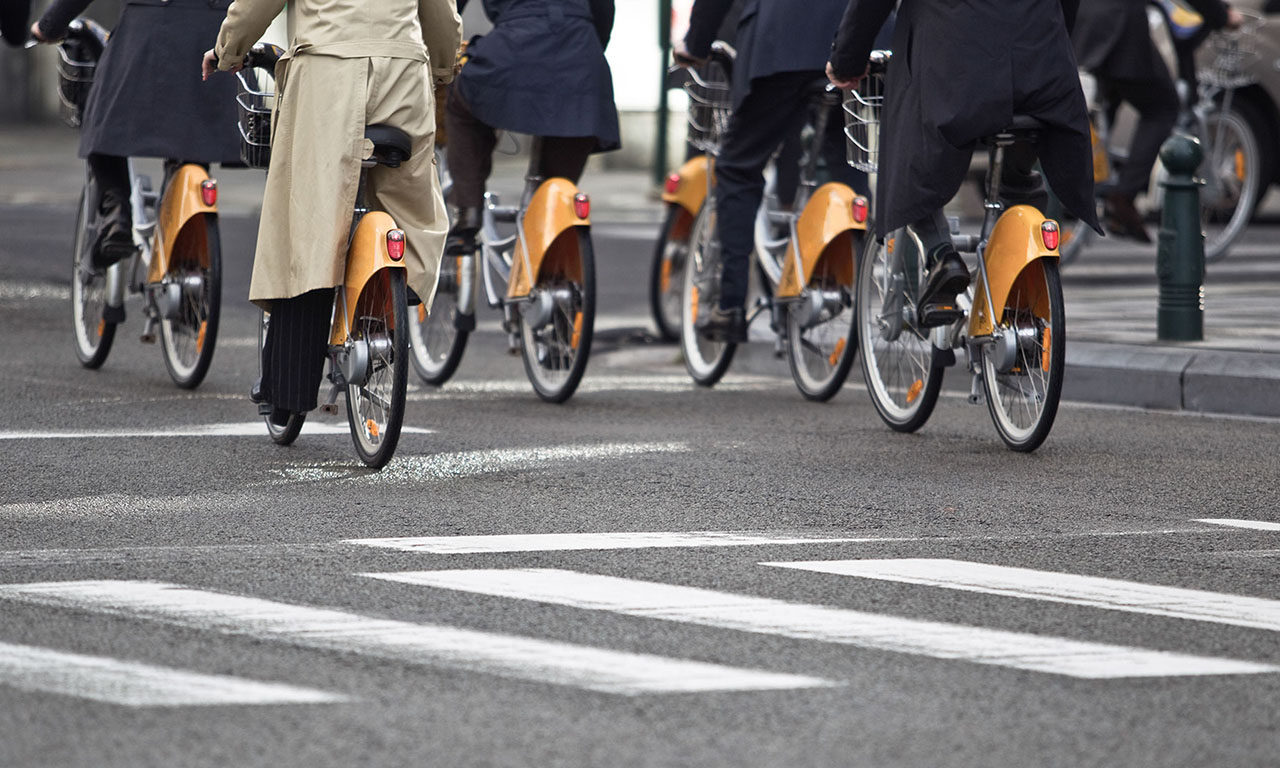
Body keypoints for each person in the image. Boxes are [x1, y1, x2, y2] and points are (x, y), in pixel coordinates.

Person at [204, 0, 461, 423]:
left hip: (328, 78)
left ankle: (287, 391)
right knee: (409, 202)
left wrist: (228, 50)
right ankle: (398, 287)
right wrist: (441, 70)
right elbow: (440, 16)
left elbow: (256, 5)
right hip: (404, 78)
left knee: (309, 229)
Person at [828, 0, 1100, 327]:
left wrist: (846, 60)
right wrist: (1050, 40)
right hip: (1043, 67)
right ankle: (1019, 281)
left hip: (957, 67)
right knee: (1019, 168)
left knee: (909, 150)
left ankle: (940, 254)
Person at [676, 0, 868, 343]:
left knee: (737, 167)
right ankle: (857, 282)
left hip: (785, 40)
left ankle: (730, 304)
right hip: (862, 39)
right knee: (850, 158)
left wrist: (696, 44)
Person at [30, 0, 240, 268]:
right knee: (194, 134)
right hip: (214, 33)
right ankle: (187, 241)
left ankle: (116, 209)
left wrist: (49, 25)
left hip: (148, 30)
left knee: (101, 118)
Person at [445, 0, 619, 252]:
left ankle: (468, 211)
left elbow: (447, 10)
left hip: (511, 50)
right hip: (580, 54)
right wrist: (587, 48)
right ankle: (554, 217)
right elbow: (604, 12)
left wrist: (439, 51)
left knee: (461, 101)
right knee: (558, 186)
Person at [1073, 0, 1243, 242]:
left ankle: (1092, 175)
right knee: (1162, 107)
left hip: (1080, 19)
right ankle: (1122, 196)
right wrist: (1220, 14)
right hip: (1118, 23)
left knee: (1110, 95)